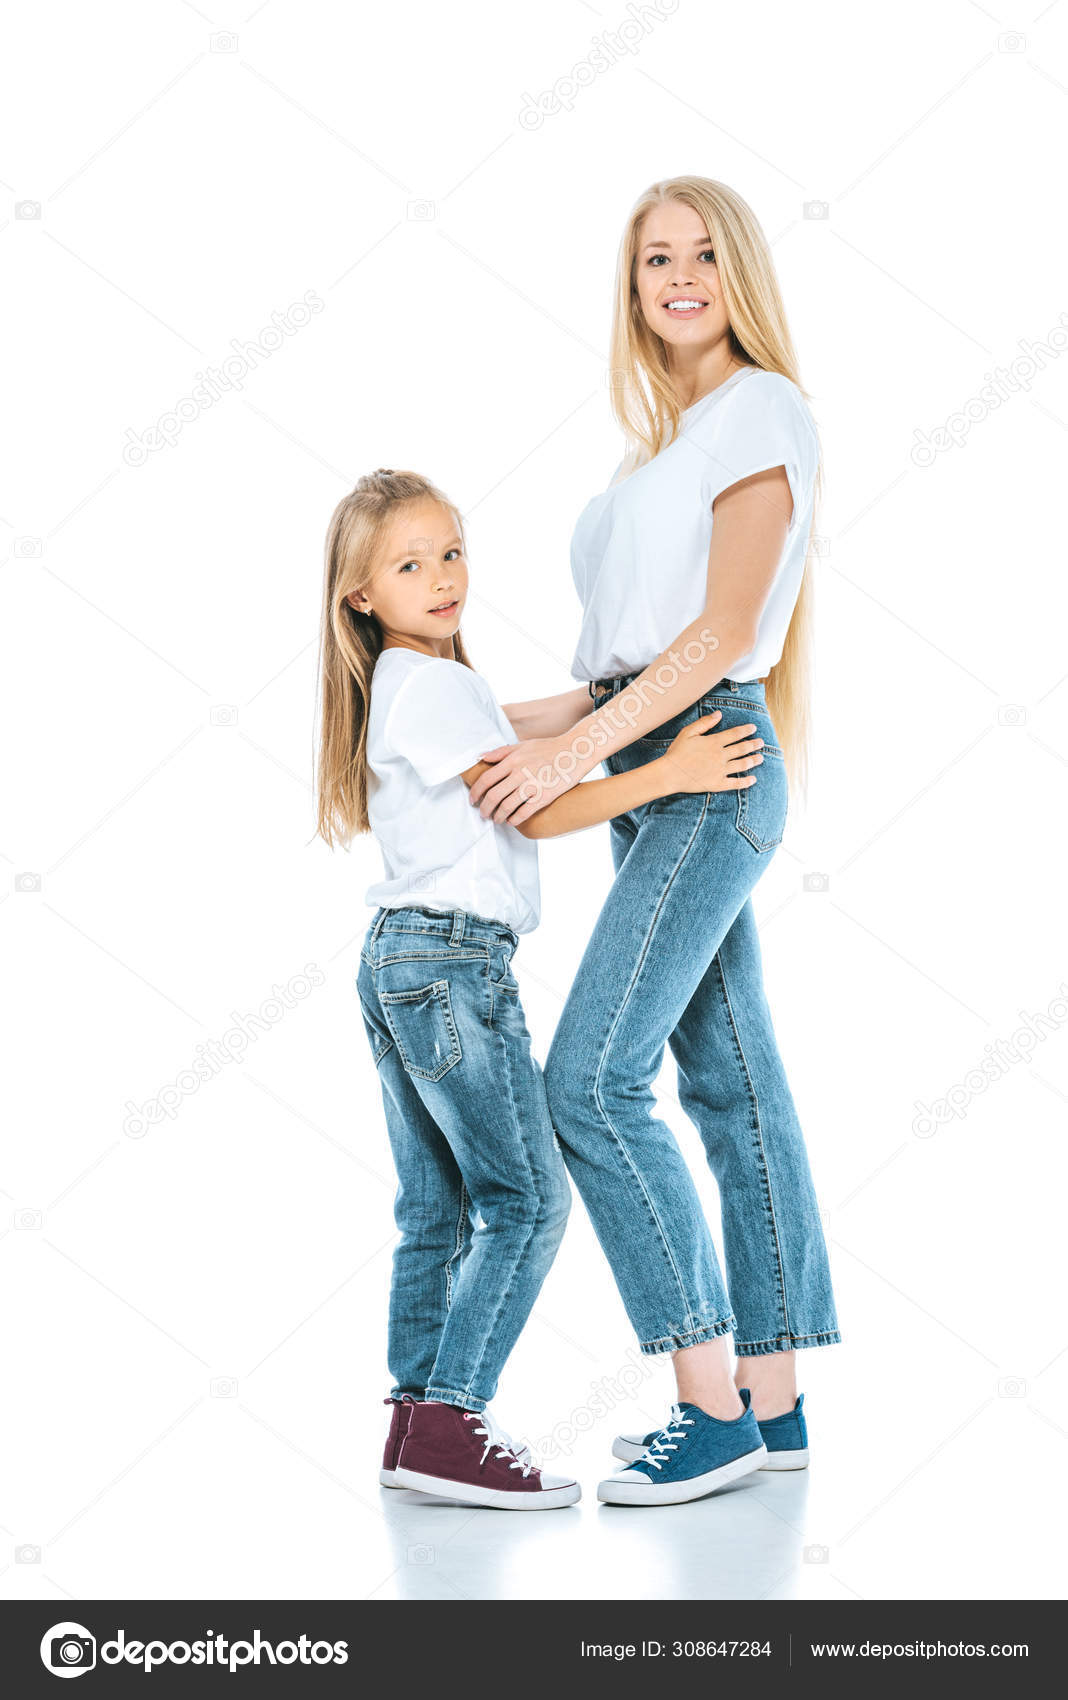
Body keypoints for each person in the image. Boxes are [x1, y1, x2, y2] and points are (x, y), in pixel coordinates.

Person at [467, 177, 843, 1507]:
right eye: (653, 262)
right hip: (652, 757)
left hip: (705, 760)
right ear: (633, 290)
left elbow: (717, 636)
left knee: (589, 1082)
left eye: (700, 256)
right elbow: (613, 663)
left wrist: (576, 754)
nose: (679, 279)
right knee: (732, 1083)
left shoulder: (762, 411)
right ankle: (775, 1405)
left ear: (738, 270)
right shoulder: (666, 445)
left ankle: (708, 1404)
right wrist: (454, 714)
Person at [314, 465, 768, 1509]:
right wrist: (670, 771)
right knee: (525, 1199)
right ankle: (449, 1417)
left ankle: (413, 1417)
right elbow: (529, 803)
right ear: (361, 595)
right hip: (454, 969)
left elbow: (537, 730)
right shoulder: (427, 683)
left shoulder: (419, 684)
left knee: (436, 1209)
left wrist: (628, 691)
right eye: (410, 563)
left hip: (402, 962)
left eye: (453, 551)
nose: (442, 577)